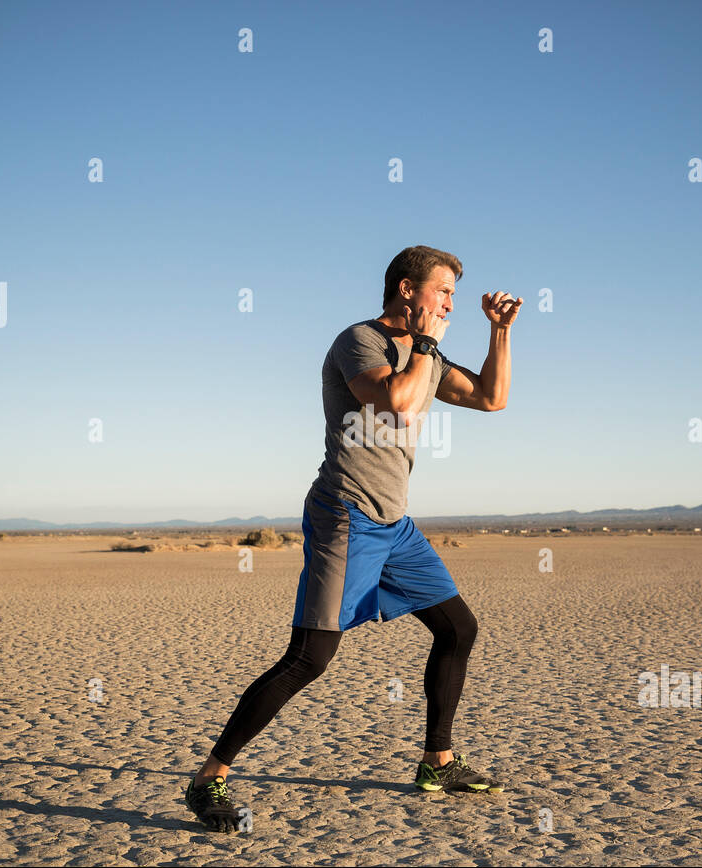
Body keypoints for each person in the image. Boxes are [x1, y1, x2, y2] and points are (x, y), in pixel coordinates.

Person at [185, 245, 520, 833]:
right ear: (406, 288)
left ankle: (437, 763)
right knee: (310, 657)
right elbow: (395, 407)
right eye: (443, 291)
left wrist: (498, 333)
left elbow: (493, 397)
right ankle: (208, 777)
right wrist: (425, 345)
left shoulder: (426, 353)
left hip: (396, 525)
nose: (449, 304)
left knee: (457, 627)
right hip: (346, 514)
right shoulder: (358, 342)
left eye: (454, 298)